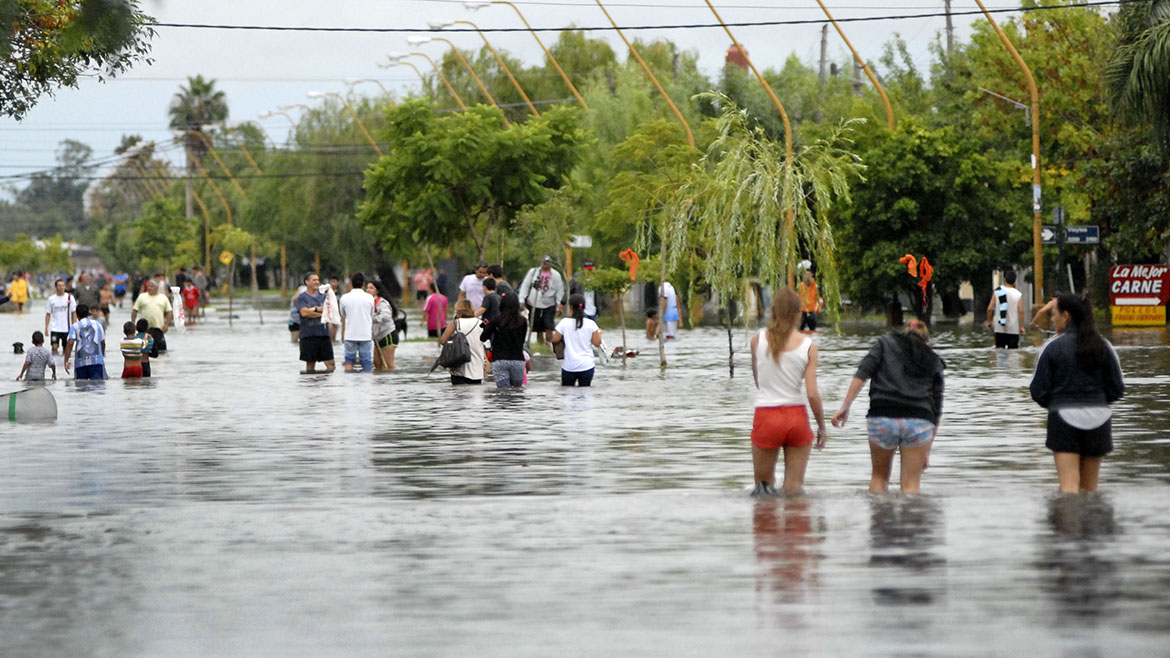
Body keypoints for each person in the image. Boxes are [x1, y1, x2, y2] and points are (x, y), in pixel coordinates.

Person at [832, 319, 946, 495]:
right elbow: (937, 407)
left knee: (879, 478)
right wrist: (927, 448)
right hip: (919, 422)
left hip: (882, 418)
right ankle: (911, 521)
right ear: (926, 341)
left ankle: (879, 520)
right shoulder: (932, 359)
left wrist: (845, 406)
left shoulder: (884, 344)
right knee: (911, 486)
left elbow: (862, 373)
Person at [1029, 293, 1125, 494]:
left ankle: (1069, 523)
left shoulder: (1052, 347)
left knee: (1069, 488)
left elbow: (1038, 391)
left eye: (1055, 314)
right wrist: (1097, 400)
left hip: (1063, 419)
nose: (1053, 318)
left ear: (1066, 316)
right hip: (1099, 419)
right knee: (1090, 491)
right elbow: (1117, 388)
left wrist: (1057, 403)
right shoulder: (1103, 346)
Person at [749, 288, 827, 498]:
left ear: (773, 311)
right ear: (798, 313)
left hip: (766, 416)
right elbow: (812, 394)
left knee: (763, 490)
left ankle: (766, 526)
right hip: (796, 418)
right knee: (794, 490)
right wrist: (821, 426)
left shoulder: (757, 341)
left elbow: (759, 381)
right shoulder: (809, 347)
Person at [551, 293, 602, 387]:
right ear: (584, 307)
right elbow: (597, 343)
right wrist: (599, 334)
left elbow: (555, 339)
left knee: (567, 395)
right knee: (585, 394)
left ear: (570, 307)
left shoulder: (564, 323)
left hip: (569, 366)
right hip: (587, 366)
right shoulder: (591, 324)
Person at [481, 294, 528, 388]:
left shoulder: (496, 320)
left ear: (501, 304)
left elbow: (483, 338)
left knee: (502, 392)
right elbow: (522, 340)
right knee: (516, 391)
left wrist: (487, 328)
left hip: (499, 360)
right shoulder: (522, 321)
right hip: (517, 360)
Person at [519, 256, 566, 344]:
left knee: (549, 326)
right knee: (537, 327)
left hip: (549, 303)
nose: (545, 264)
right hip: (534, 302)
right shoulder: (533, 272)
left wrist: (559, 306)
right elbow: (525, 285)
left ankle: (549, 343)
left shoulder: (555, 275)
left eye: (548, 262)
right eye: (544, 262)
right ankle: (540, 344)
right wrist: (521, 299)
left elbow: (560, 290)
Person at [439, 299, 485, 385]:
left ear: (458, 311)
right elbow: (486, 344)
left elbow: (443, 341)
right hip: (477, 368)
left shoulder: (456, 323)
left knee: (459, 395)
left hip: (459, 366)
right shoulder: (481, 323)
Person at [295, 273, 334, 373]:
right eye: (314, 280)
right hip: (308, 335)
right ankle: (311, 385)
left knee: (331, 365)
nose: (317, 282)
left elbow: (329, 312)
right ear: (307, 282)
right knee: (310, 365)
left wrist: (312, 311)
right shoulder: (302, 297)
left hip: (323, 334)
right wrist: (319, 310)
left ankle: (326, 385)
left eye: (317, 280)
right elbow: (304, 313)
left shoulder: (323, 296)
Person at [339, 272, 375, 373]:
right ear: (363, 284)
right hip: (365, 335)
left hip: (350, 334)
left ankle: (349, 382)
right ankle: (366, 383)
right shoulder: (370, 298)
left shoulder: (344, 298)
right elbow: (371, 314)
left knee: (349, 360)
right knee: (366, 361)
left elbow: (343, 314)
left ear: (351, 283)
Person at [64, 304, 106, 380]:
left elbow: (70, 343)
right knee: (98, 388)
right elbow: (102, 342)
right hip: (97, 363)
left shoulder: (75, 326)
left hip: (81, 364)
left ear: (76, 315)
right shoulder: (97, 324)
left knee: (81, 388)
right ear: (88, 314)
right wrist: (102, 355)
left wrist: (66, 360)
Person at [131, 280, 172, 357]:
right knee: (144, 351)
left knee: (161, 352)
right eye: (148, 286)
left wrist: (167, 324)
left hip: (159, 329)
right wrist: (133, 324)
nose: (149, 288)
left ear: (157, 288)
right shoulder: (142, 297)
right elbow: (134, 310)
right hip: (145, 330)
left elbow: (169, 312)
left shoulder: (163, 298)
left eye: (152, 286)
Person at [986, 270, 1025, 349]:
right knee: (1013, 354)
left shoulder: (998, 291)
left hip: (999, 328)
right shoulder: (1018, 294)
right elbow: (1021, 311)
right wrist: (1021, 327)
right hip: (1013, 329)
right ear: (1015, 281)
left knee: (1000, 353)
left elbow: (989, 309)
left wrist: (989, 321)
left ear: (1004, 280)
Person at [367, 280, 398, 372]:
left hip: (387, 335)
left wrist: (373, 319)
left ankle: (391, 384)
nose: (368, 290)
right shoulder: (368, 302)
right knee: (377, 365)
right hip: (377, 338)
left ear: (377, 291)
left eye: (371, 288)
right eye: (367, 288)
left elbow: (386, 316)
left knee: (389, 365)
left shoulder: (381, 302)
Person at [44, 279, 77, 354]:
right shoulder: (51, 299)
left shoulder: (70, 298)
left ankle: (65, 363)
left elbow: (74, 313)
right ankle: (54, 362)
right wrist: (46, 328)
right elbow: (48, 314)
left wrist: (74, 326)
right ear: (56, 287)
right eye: (59, 285)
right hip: (55, 328)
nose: (61, 287)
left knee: (66, 349)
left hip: (67, 328)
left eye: (63, 285)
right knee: (54, 347)